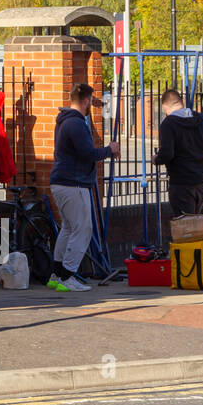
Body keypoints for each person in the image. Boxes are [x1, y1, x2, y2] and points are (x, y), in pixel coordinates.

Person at [47, 82, 119, 292]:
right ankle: (68, 276)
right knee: (83, 229)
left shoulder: (64, 120)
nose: (90, 106)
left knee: (68, 229)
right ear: (86, 100)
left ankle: (57, 274)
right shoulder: (76, 124)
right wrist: (109, 149)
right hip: (74, 184)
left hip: (62, 182)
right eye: (90, 101)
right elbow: (87, 153)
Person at [153, 89, 203, 217]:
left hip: (181, 181)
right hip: (202, 179)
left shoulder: (169, 124)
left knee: (185, 225)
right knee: (198, 220)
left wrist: (156, 159)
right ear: (181, 102)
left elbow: (167, 154)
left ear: (165, 107)